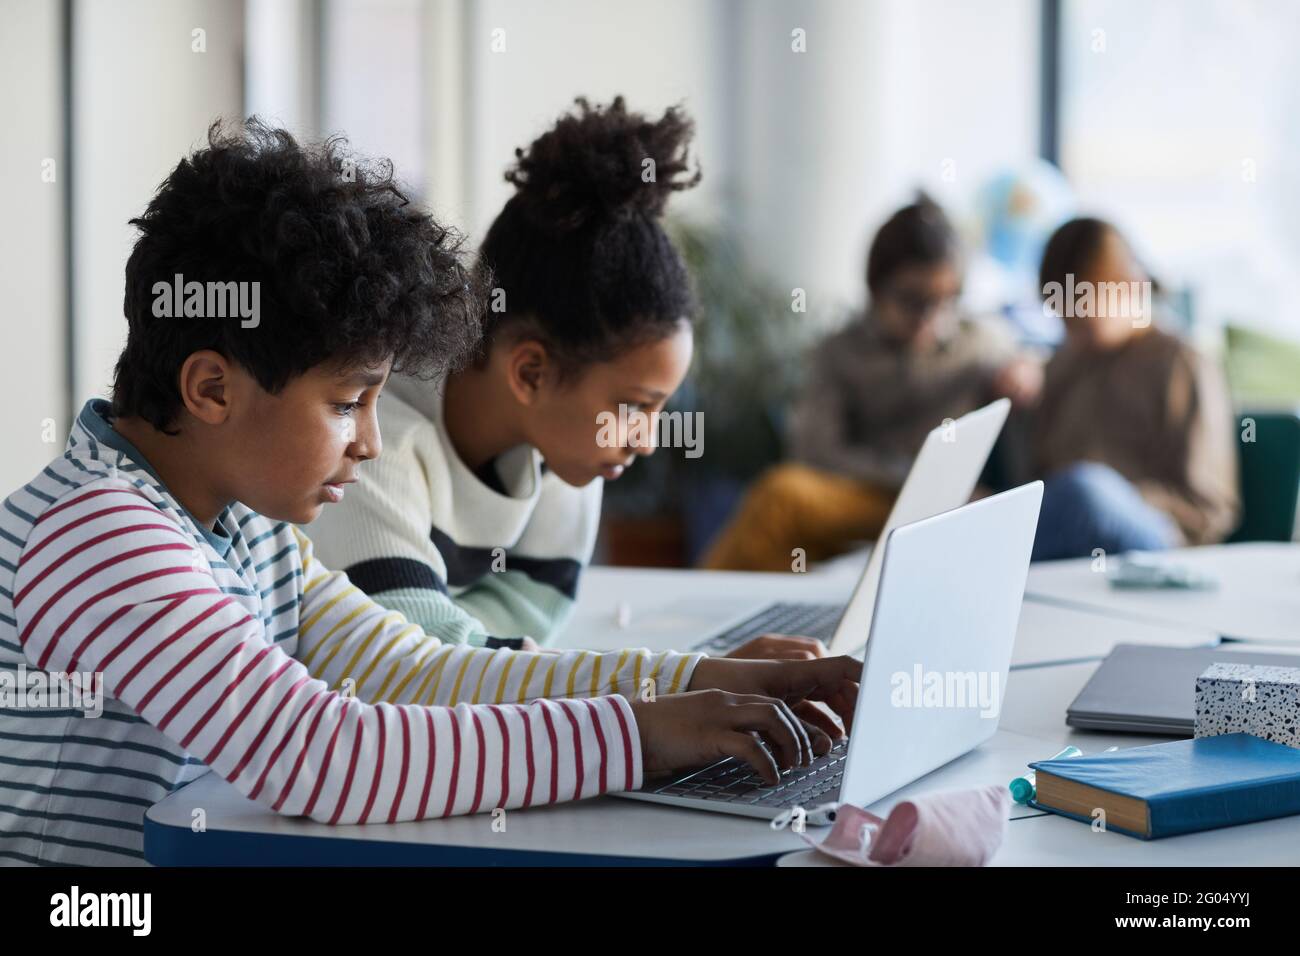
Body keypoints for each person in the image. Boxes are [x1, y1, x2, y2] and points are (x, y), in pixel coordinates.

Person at [0, 119, 859, 865]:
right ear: (213, 390)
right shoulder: (102, 534)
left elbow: (414, 672)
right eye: (346, 404)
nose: (369, 442)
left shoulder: (239, 527)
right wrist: (640, 735)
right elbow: (321, 758)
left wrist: (692, 685)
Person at [702, 195, 1041, 572]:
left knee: (780, 502)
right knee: (782, 497)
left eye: (945, 300)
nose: (930, 318)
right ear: (877, 289)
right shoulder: (839, 352)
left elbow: (1030, 366)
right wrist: (911, 475)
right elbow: (816, 451)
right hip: (875, 494)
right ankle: (746, 613)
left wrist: (1027, 371)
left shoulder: (979, 343)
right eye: (913, 301)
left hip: (958, 502)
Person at [1030, 217, 1239, 560]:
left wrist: (1120, 497)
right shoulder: (1064, 364)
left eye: (1083, 314)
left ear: (1130, 286)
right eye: (1063, 317)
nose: (1071, 331)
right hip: (1072, 534)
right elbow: (1042, 473)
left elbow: (1209, 508)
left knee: (1085, 489)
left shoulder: (1181, 363)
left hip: (1162, 539)